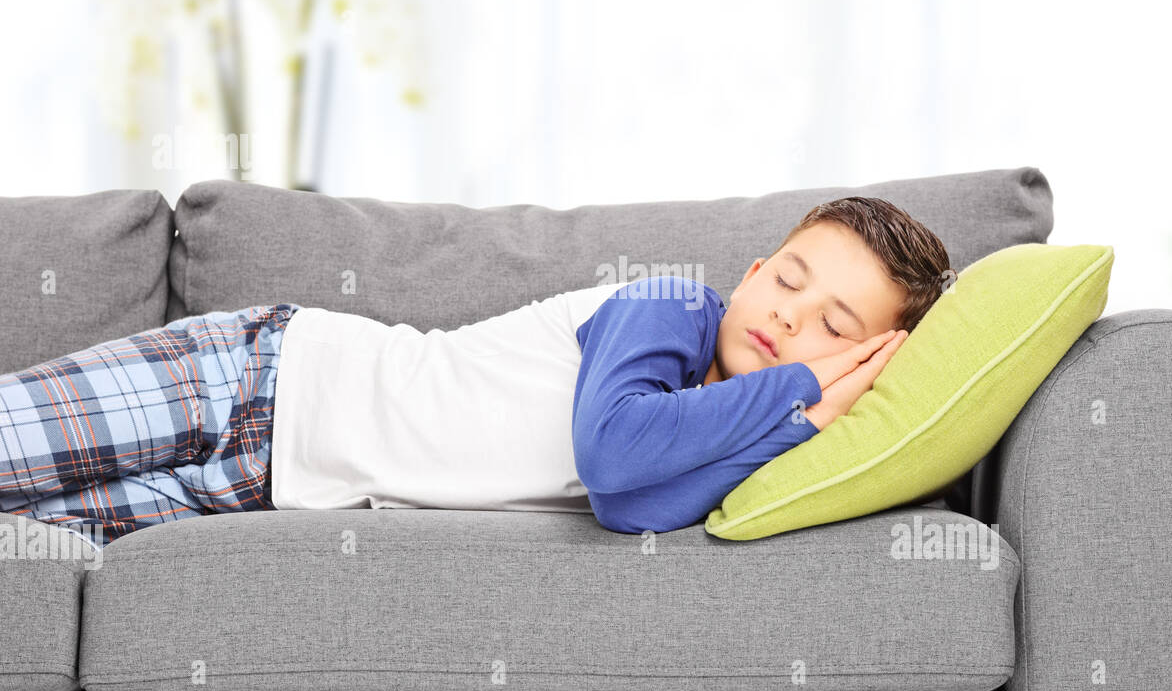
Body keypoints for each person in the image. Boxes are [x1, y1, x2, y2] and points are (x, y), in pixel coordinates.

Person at [1, 196, 950, 549]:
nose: (788, 314)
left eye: (833, 324)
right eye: (786, 280)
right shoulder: (669, 306)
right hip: (257, 376)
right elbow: (613, 454)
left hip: (259, 485)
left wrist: (808, 427)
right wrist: (801, 394)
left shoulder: (731, 428)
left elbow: (625, 509)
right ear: (749, 275)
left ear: (870, 358)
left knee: (24, 546)